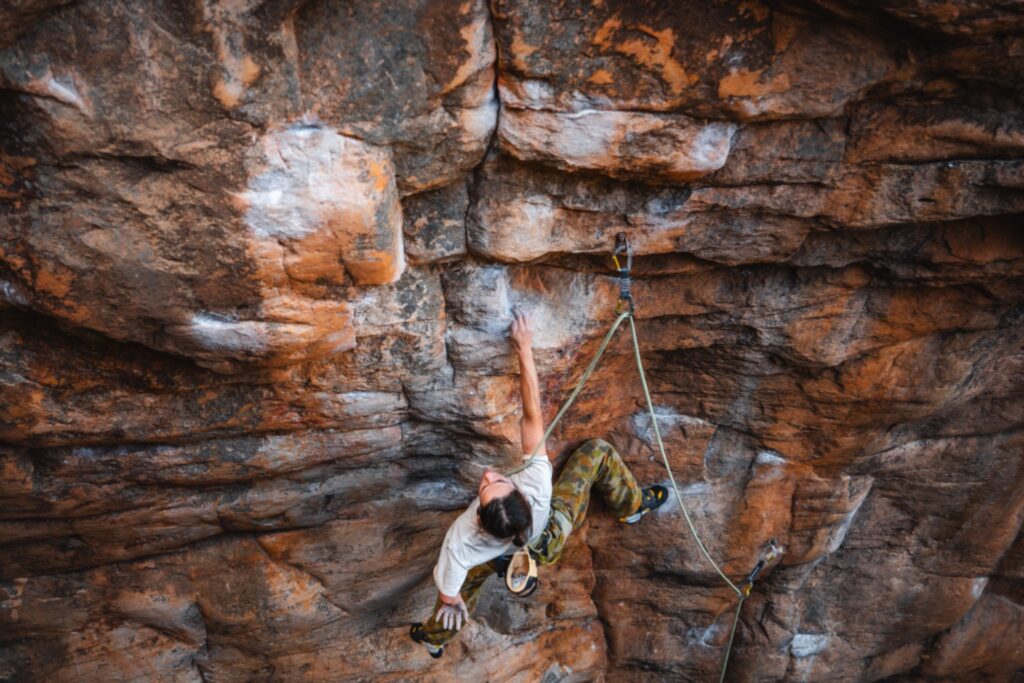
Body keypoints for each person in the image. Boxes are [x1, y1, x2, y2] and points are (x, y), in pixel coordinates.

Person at [409, 309, 668, 658]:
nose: (488, 474)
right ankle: (632, 506)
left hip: (499, 553)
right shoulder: (536, 485)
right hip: (548, 538)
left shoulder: (463, 544)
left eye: (490, 483)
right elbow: (532, 414)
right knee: (597, 453)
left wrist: (451, 600)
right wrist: (524, 348)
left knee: (458, 600)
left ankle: (434, 638)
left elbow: (449, 595)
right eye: (494, 483)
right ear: (518, 496)